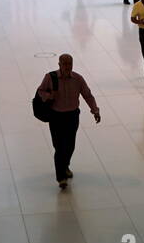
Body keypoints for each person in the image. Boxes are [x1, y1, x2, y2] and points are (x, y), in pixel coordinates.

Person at [35, 53, 100, 188]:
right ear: (59, 65)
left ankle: (65, 166)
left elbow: (87, 95)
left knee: (70, 146)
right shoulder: (50, 77)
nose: (67, 67)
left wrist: (95, 110)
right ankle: (61, 177)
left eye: (69, 64)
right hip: (56, 116)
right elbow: (40, 91)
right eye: (64, 64)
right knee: (59, 147)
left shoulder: (77, 79)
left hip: (72, 116)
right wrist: (49, 95)